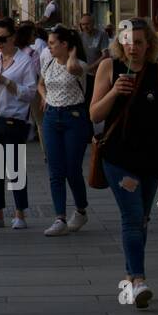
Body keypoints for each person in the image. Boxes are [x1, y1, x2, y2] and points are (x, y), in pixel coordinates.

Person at [89, 18, 158, 309]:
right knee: (131, 217)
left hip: (152, 158)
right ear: (120, 43)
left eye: (140, 43)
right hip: (118, 158)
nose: (134, 48)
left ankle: (131, 275)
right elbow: (94, 114)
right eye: (128, 42)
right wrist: (114, 92)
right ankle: (140, 279)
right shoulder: (109, 68)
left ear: (149, 45)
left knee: (142, 219)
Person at [0, 18, 38, 229]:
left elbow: (29, 93)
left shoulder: (25, 62)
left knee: (15, 169)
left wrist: (5, 81)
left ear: (13, 38)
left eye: (2, 39)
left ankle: (20, 214)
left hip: (13, 121)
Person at [37, 26, 89, 237]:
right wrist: (44, 96)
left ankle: (81, 209)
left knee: (72, 169)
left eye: (52, 43)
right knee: (55, 169)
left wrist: (73, 55)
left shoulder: (79, 65)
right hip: (52, 117)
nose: (48, 47)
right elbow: (40, 83)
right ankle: (60, 217)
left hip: (74, 117)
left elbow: (73, 69)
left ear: (65, 45)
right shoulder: (48, 63)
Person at [78, 13, 112, 103]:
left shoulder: (101, 35)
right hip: (84, 75)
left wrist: (91, 67)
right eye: (83, 24)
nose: (85, 27)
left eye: (87, 24)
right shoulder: (80, 36)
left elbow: (105, 55)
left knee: (97, 98)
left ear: (93, 23)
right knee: (85, 99)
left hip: (98, 73)